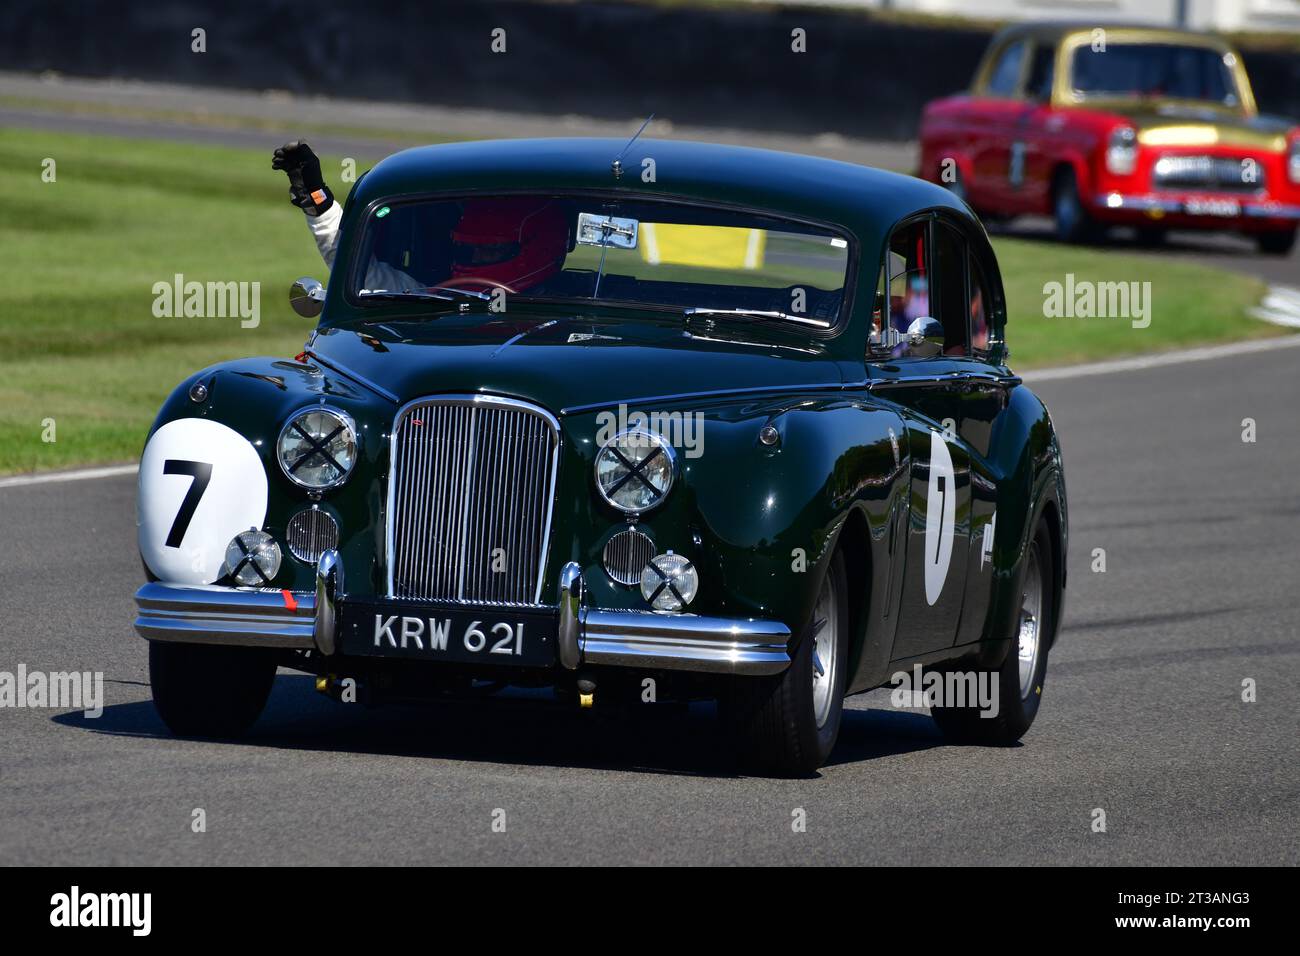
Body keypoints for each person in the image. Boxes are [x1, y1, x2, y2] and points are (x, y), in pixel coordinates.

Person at [272, 142, 569, 294]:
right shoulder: (432, 300)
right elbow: (358, 273)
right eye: (468, 249)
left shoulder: (581, 323)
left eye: (490, 250)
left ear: (537, 248)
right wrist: (316, 198)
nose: (475, 257)